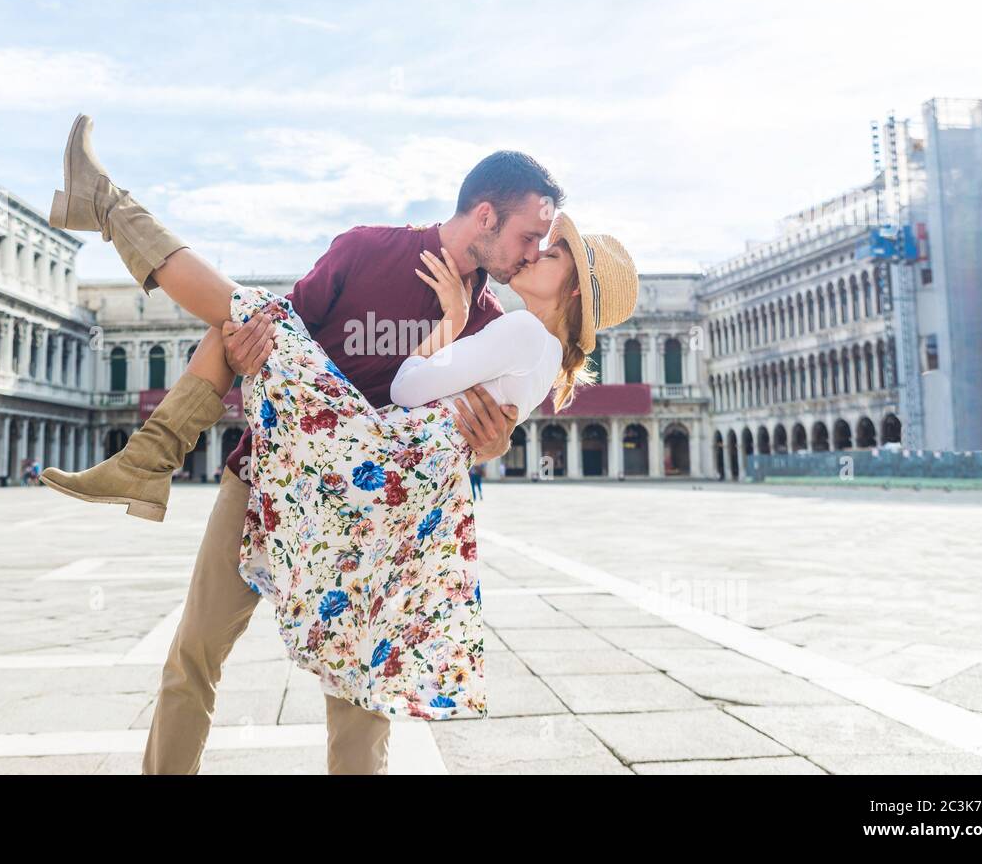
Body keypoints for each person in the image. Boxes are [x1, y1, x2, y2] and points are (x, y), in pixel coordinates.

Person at [38, 115, 637, 769]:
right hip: (270, 479)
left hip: (364, 521)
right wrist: (246, 349)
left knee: (358, 709)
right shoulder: (367, 250)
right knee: (194, 656)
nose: (529, 254)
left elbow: (455, 417)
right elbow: (278, 331)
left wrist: (489, 444)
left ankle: (144, 443)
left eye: (543, 249)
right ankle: (145, 452)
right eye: (529, 238)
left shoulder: (493, 323)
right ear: (486, 216)